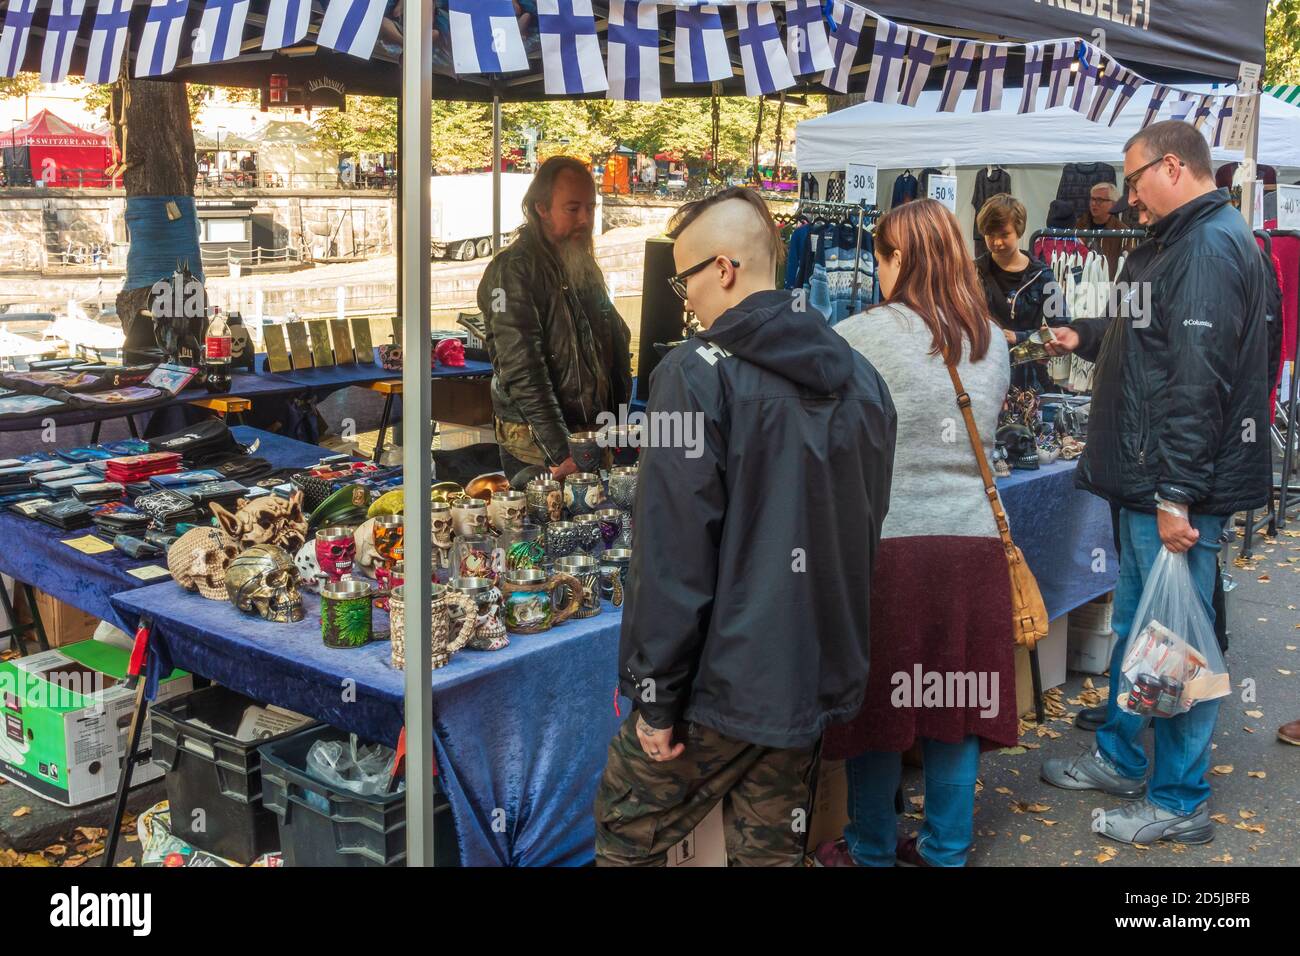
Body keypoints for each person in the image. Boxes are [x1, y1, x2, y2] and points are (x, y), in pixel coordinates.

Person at [592, 187, 897, 867]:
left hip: (725, 687)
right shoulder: (865, 381)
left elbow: (673, 557)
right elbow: (865, 524)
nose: (683, 301)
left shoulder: (694, 376)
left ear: (724, 269)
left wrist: (656, 698)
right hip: (804, 675)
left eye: (685, 279)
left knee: (623, 834)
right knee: (769, 852)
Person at [1040, 121, 1271, 845]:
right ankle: (1120, 757)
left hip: (1170, 491)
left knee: (1177, 647)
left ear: (1173, 166)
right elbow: (1155, 333)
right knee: (1151, 636)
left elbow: (1197, 383)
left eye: (1135, 181)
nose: (1129, 199)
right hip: (1152, 484)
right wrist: (1085, 331)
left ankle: (1178, 801)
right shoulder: (1195, 237)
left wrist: (1175, 495)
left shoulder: (1205, 245)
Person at [811, 199, 1016, 868]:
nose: (877, 268)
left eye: (881, 255)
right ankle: (945, 849)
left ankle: (871, 844)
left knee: (876, 709)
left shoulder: (856, 337)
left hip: (889, 546)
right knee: (955, 704)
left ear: (899, 259)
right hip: (973, 547)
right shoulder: (991, 339)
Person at [477, 156, 632, 481]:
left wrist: (614, 426)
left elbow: (617, 342)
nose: (585, 219)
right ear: (540, 209)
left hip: (589, 437)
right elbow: (522, 369)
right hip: (539, 446)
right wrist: (564, 452)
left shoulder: (581, 263)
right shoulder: (514, 271)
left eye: (590, 208)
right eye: (573, 209)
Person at [973, 193, 1069, 392]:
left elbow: (1062, 331)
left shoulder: (1042, 276)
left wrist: (1019, 337)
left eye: (1004, 234)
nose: (996, 242)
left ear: (1018, 230)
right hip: (980, 379)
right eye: (990, 234)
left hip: (1027, 385)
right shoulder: (971, 273)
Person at [1075, 182, 1127, 276]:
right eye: (1092, 199)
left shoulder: (1123, 232)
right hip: (1081, 282)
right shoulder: (1079, 225)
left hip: (1109, 284)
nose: (1094, 203)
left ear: (1113, 203)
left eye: (1099, 200)